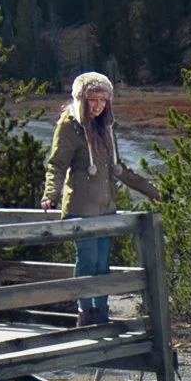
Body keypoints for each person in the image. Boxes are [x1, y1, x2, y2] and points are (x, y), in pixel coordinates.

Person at [41, 70, 158, 324]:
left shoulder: (106, 128)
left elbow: (119, 169)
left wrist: (153, 191)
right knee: (88, 259)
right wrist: (51, 194)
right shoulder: (69, 127)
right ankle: (86, 312)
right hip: (81, 209)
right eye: (92, 100)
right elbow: (57, 165)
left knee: (103, 261)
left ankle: (102, 310)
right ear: (82, 99)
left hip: (106, 210)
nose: (97, 106)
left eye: (103, 100)